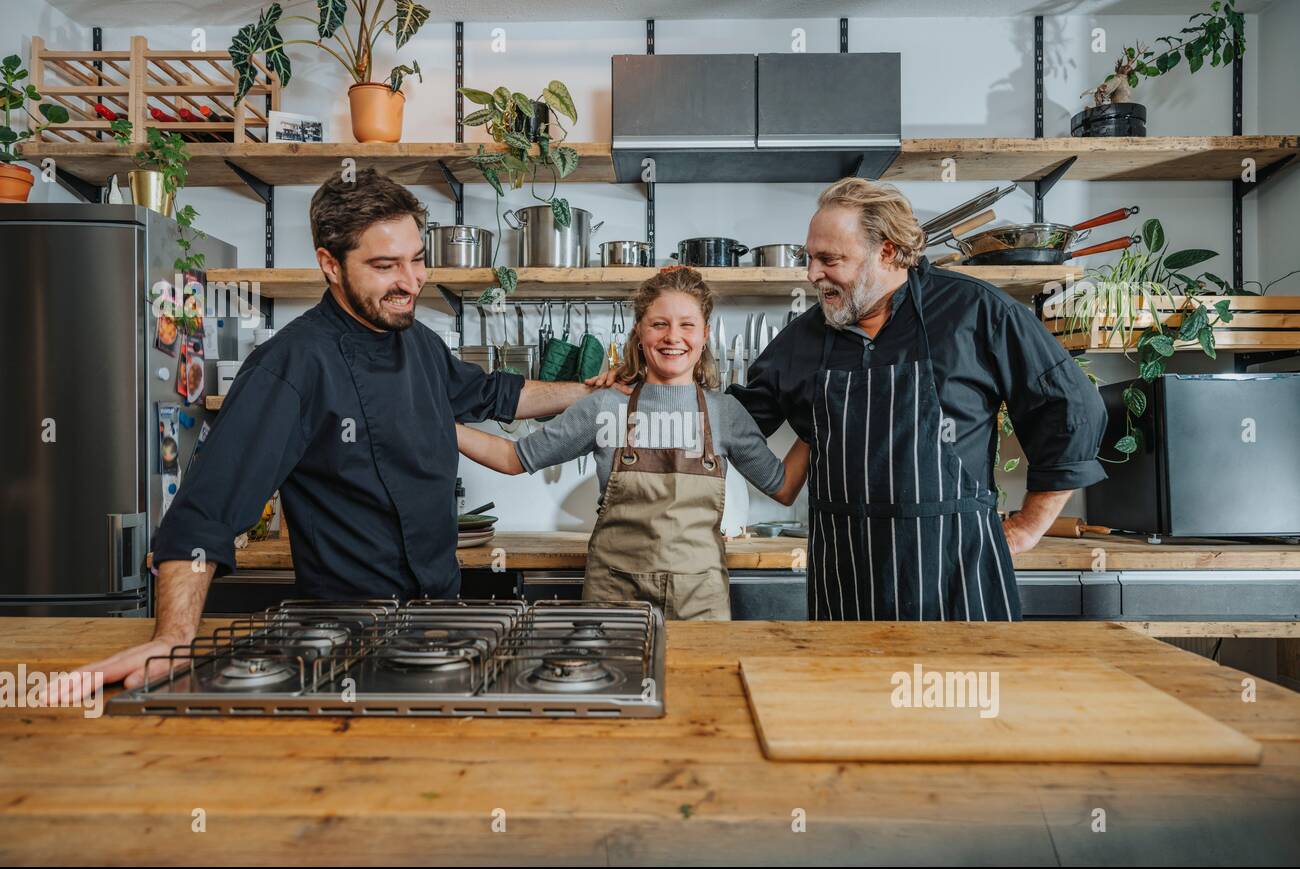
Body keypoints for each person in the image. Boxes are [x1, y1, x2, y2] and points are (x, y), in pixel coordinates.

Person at [68, 168, 616, 696]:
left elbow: (499, 395)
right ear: (330, 264)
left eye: (417, 260)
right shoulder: (290, 366)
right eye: (385, 266)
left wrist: (600, 393)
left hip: (440, 626)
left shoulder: (419, 344)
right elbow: (204, 513)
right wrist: (173, 637)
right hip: (341, 640)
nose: (411, 282)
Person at [727, 178, 1108, 621]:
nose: (812, 274)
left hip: (955, 576)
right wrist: (656, 382)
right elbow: (738, 420)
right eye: (809, 259)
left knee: (964, 691)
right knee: (846, 690)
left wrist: (1030, 524)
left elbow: (1070, 407)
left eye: (829, 259)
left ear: (886, 252)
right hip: (847, 582)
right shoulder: (804, 338)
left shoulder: (973, 311)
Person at [456, 266, 810, 620]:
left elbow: (783, 486)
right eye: (659, 324)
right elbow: (512, 457)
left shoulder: (725, 414)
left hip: (700, 601)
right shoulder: (605, 406)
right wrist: (441, 425)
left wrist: (817, 424)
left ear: (705, 333)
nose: (673, 337)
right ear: (639, 331)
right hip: (614, 600)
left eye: (687, 325)